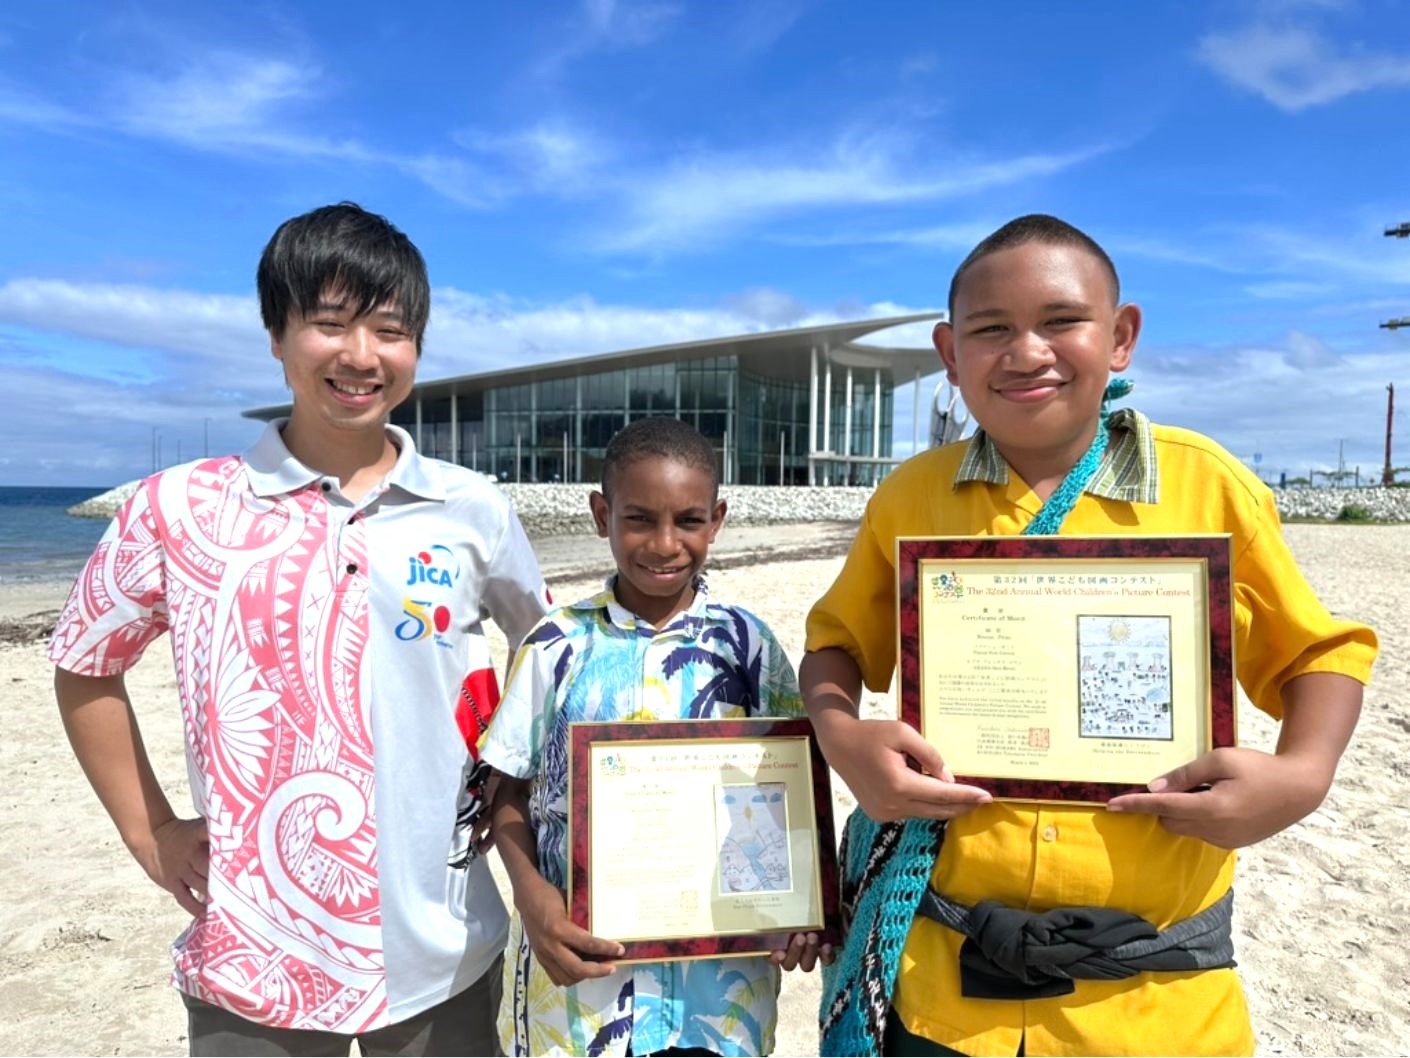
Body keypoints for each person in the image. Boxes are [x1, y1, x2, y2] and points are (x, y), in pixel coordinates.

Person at [803, 214, 1379, 1057]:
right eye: (990, 329)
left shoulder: (1205, 485)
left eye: (1061, 321)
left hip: (1156, 999)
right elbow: (838, 643)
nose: (1026, 351)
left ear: (1121, 338)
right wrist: (842, 735)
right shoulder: (909, 498)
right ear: (948, 352)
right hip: (941, 988)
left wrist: (1302, 776)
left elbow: (1317, 654)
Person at [49, 202, 550, 1056]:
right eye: (329, 325)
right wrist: (153, 831)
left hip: (442, 939)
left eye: (390, 330)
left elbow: (543, 649)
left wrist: (503, 783)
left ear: (417, 349)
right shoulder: (179, 507)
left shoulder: (473, 509)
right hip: (255, 954)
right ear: (276, 337)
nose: (362, 356)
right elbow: (86, 663)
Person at [480, 416, 827, 1057]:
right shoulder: (557, 645)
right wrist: (534, 904)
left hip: (720, 1004)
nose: (665, 544)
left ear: (717, 520)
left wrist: (799, 909)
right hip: (582, 997)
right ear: (600, 514)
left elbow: (791, 791)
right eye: (638, 519)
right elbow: (506, 790)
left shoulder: (747, 645)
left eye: (689, 521)